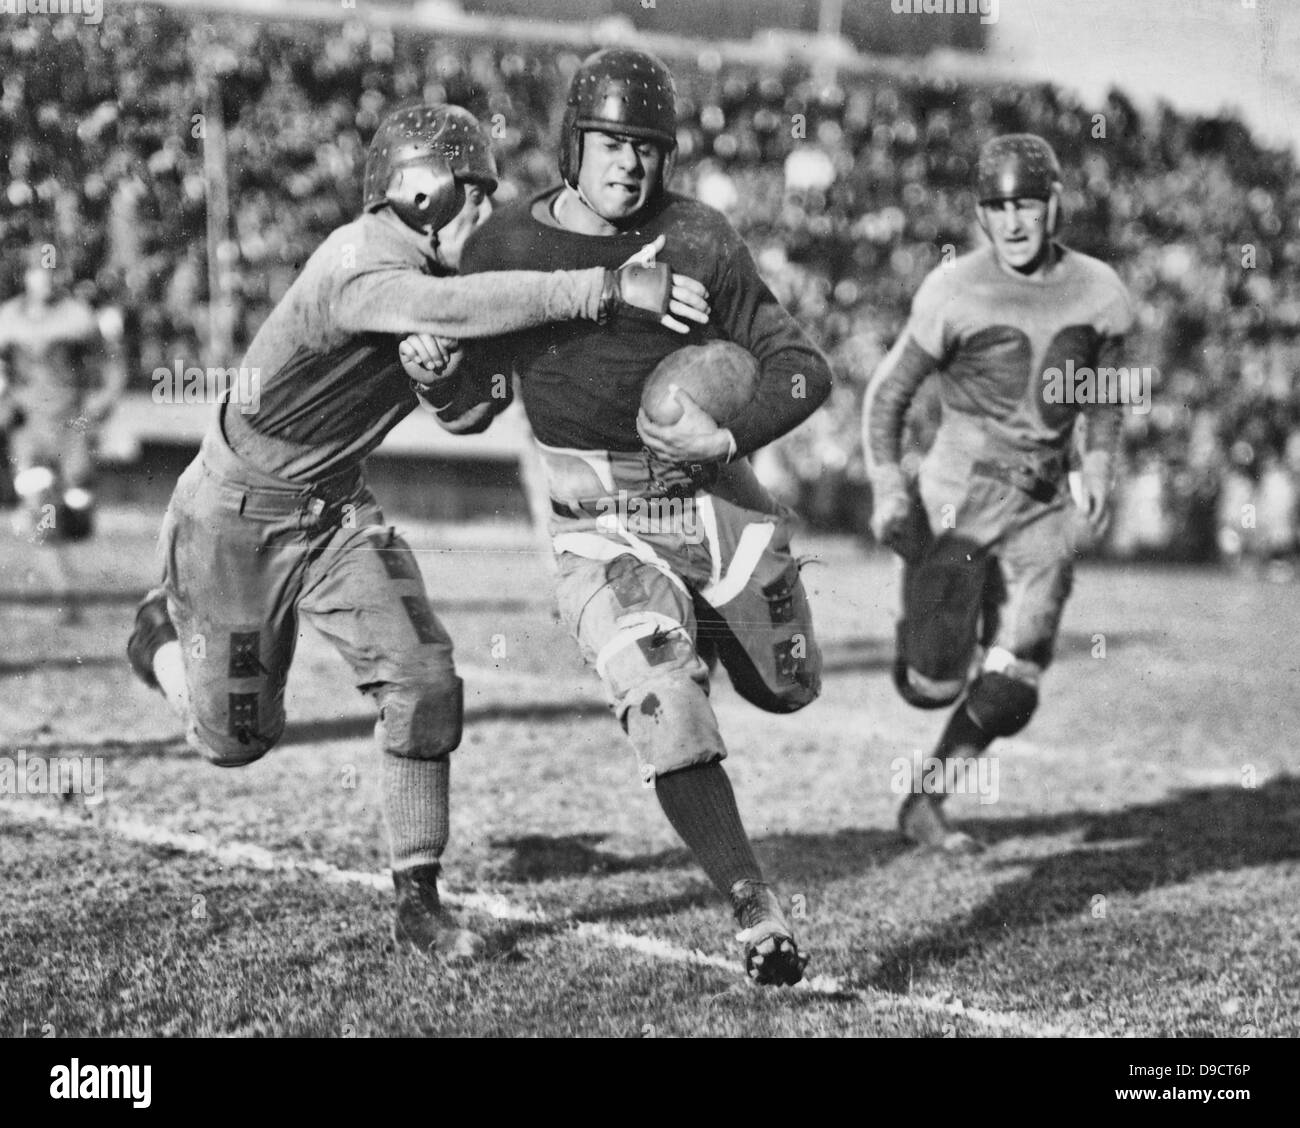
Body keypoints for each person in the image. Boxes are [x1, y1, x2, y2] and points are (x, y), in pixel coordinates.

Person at [125, 103, 711, 959]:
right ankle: (160, 642)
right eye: (476, 196)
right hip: (234, 516)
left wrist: (441, 388)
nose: (487, 214)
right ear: (425, 192)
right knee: (236, 742)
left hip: (332, 511)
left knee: (426, 680)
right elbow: (458, 305)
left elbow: (475, 411)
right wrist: (600, 286)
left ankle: (418, 900)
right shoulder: (359, 260)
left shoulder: (433, 284)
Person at [424, 49, 832, 986]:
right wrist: (440, 377)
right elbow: (475, 402)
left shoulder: (701, 239)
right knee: (665, 703)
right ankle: (751, 904)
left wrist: (731, 441)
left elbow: (802, 365)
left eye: (648, 148)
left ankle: (722, 628)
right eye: (611, 143)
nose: (629, 166)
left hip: (710, 500)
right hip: (596, 522)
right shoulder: (508, 247)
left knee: (790, 687)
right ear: (575, 143)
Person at [863, 134, 1134, 853]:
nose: (1013, 223)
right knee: (929, 683)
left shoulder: (1101, 290)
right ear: (981, 215)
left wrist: (1099, 465)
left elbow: (1103, 394)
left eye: (1026, 206)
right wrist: (891, 488)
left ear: (1056, 206)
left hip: (1044, 499)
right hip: (958, 494)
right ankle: (927, 622)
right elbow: (888, 397)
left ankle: (928, 801)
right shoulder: (957, 288)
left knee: (1014, 684)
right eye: (997, 207)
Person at [0, 246, 127, 623]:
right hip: (28, 425)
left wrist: (101, 404)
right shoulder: (7, 319)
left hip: (71, 421)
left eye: (52, 271)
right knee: (41, 506)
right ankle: (65, 596)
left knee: (76, 503)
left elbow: (112, 364)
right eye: (38, 271)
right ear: (25, 275)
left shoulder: (77, 316)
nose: (45, 278)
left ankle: (74, 512)